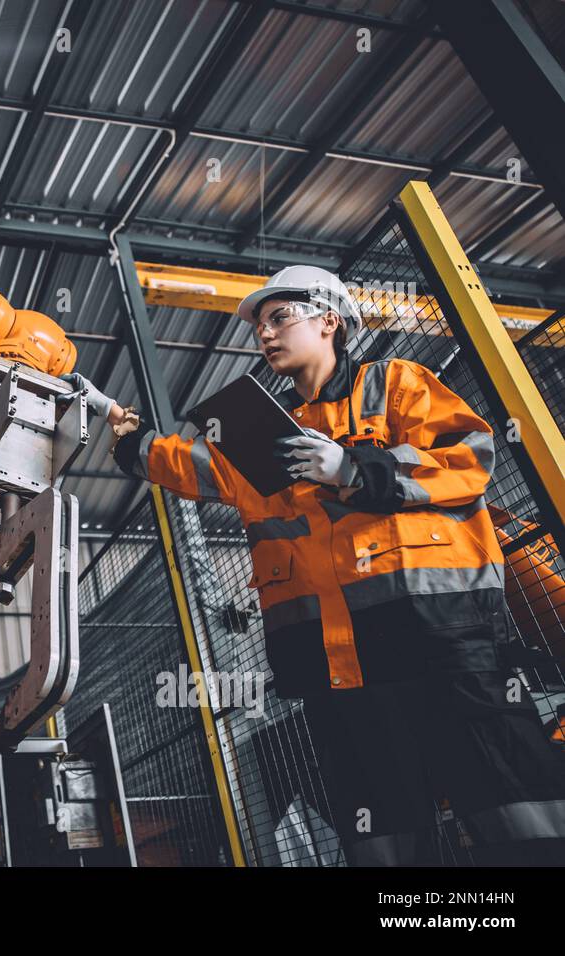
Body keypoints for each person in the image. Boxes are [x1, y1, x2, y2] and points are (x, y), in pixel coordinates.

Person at [66, 265, 565, 865]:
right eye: (258, 328)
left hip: (443, 648)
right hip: (341, 677)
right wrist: (127, 435)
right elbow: (200, 468)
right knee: (383, 840)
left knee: (515, 811)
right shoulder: (269, 438)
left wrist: (354, 469)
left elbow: (471, 458)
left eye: (280, 318)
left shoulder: (397, 385)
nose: (265, 335)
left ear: (330, 320)